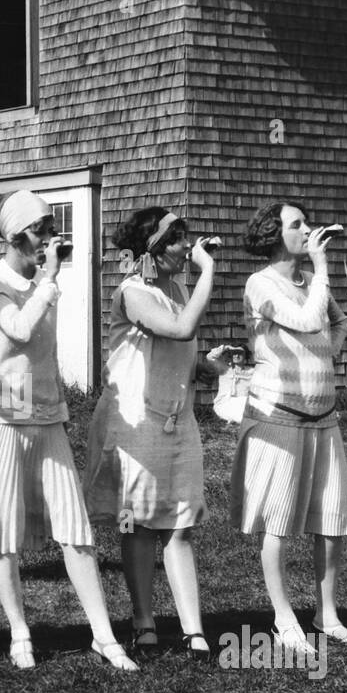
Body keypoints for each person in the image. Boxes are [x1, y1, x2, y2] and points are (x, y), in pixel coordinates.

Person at [0, 190, 137, 671]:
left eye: (52, 227)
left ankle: (104, 636)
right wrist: (48, 280)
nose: (52, 238)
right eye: (42, 230)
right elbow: (20, 330)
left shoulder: (38, 280)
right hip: (1, 421)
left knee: (76, 530)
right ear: (14, 236)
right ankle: (19, 632)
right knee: (3, 533)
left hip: (47, 416)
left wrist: (46, 280)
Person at [83, 207, 224, 661]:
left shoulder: (179, 287)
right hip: (135, 422)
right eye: (178, 239)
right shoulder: (133, 291)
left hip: (178, 419)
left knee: (180, 525)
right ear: (154, 249)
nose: (188, 246)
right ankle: (143, 621)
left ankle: (193, 629)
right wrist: (211, 271)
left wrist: (207, 367)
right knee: (139, 525)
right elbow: (181, 329)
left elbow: (178, 349)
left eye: (186, 237)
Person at [231, 199, 347, 655]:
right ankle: (283, 618)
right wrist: (322, 263)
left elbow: (336, 320)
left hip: (323, 415)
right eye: (298, 225)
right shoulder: (259, 284)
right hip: (278, 417)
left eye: (306, 223)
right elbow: (310, 318)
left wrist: (325, 352)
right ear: (274, 235)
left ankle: (326, 615)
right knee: (281, 521)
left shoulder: (310, 280)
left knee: (331, 519)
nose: (308, 230)